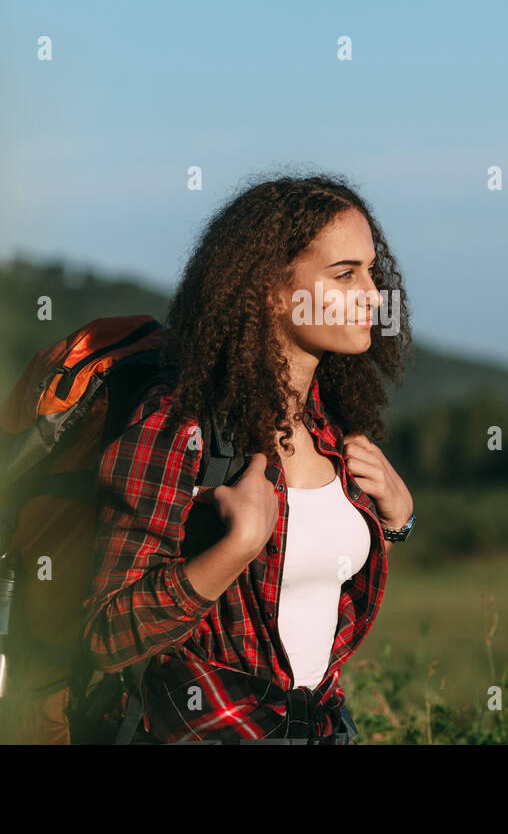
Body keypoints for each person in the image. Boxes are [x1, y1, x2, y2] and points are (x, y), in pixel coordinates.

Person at [81, 172, 415, 743]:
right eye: (345, 274)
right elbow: (109, 632)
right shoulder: (181, 425)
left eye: (372, 273)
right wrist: (237, 546)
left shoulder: (333, 428)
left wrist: (399, 520)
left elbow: (304, 581)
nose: (373, 296)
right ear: (268, 288)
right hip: (211, 725)